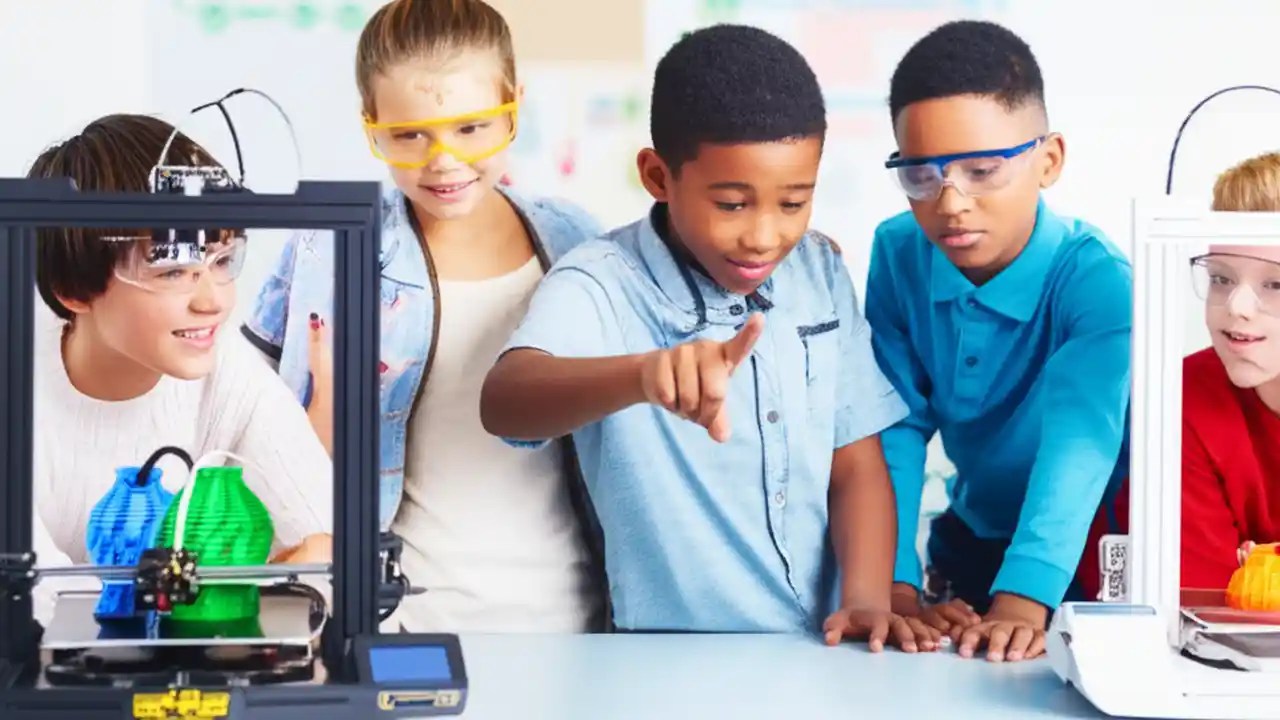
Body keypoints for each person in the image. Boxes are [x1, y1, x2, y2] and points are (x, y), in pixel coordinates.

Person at [480, 24, 939, 652]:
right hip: (670, 656)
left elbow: (855, 461)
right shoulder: (602, 282)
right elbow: (506, 400)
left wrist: (865, 599)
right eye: (731, 204)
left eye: (793, 202)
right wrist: (642, 375)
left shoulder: (819, 271)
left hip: (829, 651)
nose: (764, 236)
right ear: (657, 176)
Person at [242, 0, 606, 633]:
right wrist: (309, 428)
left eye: (472, 128)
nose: (443, 161)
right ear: (371, 125)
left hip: (573, 620)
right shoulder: (327, 250)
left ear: (515, 105)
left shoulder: (577, 241)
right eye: (409, 135)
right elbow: (237, 422)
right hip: (397, 620)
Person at [865, 20, 1131, 662]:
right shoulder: (898, 252)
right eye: (920, 176)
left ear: (1049, 161)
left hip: (1089, 543)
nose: (950, 203)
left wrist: (1023, 598)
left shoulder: (1099, 280)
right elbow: (895, 425)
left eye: (983, 170)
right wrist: (894, 580)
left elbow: (1081, 444)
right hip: (971, 531)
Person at [29, 113, 333, 567]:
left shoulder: (232, 375)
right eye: (173, 271)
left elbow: (328, 549)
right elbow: (26, 601)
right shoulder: (19, 387)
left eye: (223, 261)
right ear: (73, 290)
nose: (213, 301)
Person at [1178, 151, 1280, 590]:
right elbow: (1203, 600)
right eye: (1220, 278)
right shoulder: (1184, 395)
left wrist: (1258, 571)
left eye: (1276, 284)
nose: (1235, 308)